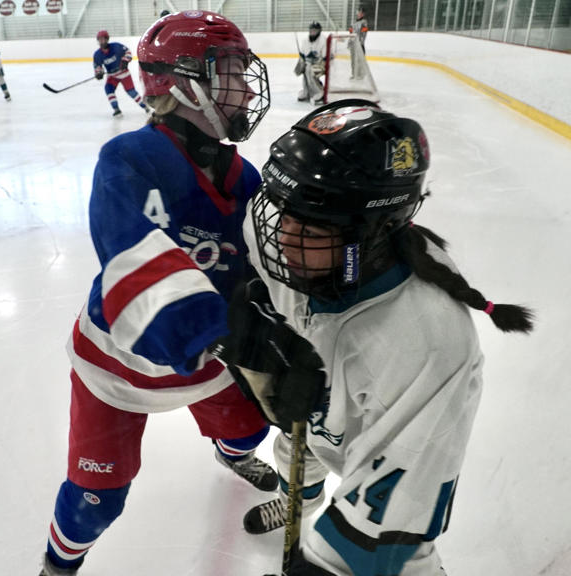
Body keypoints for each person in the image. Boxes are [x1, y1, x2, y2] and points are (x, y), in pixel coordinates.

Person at [214, 100, 534, 573]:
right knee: (296, 447)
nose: (282, 234)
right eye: (282, 210)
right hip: (328, 423)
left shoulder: (428, 341)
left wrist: (316, 567)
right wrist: (252, 318)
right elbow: (261, 279)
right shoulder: (296, 246)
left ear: (371, 231)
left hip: (380, 477)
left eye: (311, 224)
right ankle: (296, 503)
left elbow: (384, 531)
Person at [39, 11, 272, 576]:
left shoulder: (246, 179)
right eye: (230, 71)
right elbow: (132, 257)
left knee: (249, 429)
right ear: (183, 82)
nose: (244, 86)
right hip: (117, 368)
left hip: (210, 360)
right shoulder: (129, 160)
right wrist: (234, 341)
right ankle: (58, 567)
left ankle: (230, 452)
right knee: (96, 500)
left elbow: (261, 270)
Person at [93, 30, 148, 117]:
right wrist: (99, 73)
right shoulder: (97, 54)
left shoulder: (116, 46)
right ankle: (116, 109)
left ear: (107, 39)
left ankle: (145, 106)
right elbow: (97, 66)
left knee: (131, 92)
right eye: (100, 40)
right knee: (108, 89)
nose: (102, 42)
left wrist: (125, 61)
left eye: (103, 39)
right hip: (112, 76)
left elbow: (128, 52)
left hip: (124, 74)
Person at [295, 22, 327, 105]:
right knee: (305, 71)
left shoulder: (323, 40)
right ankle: (306, 92)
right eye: (311, 30)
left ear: (319, 31)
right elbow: (302, 55)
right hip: (308, 63)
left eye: (315, 30)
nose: (312, 32)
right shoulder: (305, 41)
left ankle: (319, 93)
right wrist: (300, 65)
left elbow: (325, 57)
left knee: (311, 71)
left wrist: (323, 65)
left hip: (320, 64)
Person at [348, 7, 369, 79]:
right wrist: (350, 43)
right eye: (358, 12)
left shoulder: (364, 22)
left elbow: (364, 34)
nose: (359, 13)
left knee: (360, 60)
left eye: (360, 12)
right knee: (353, 60)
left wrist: (360, 43)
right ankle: (354, 74)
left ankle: (360, 74)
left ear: (363, 14)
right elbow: (350, 32)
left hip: (360, 45)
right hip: (353, 45)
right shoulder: (353, 22)